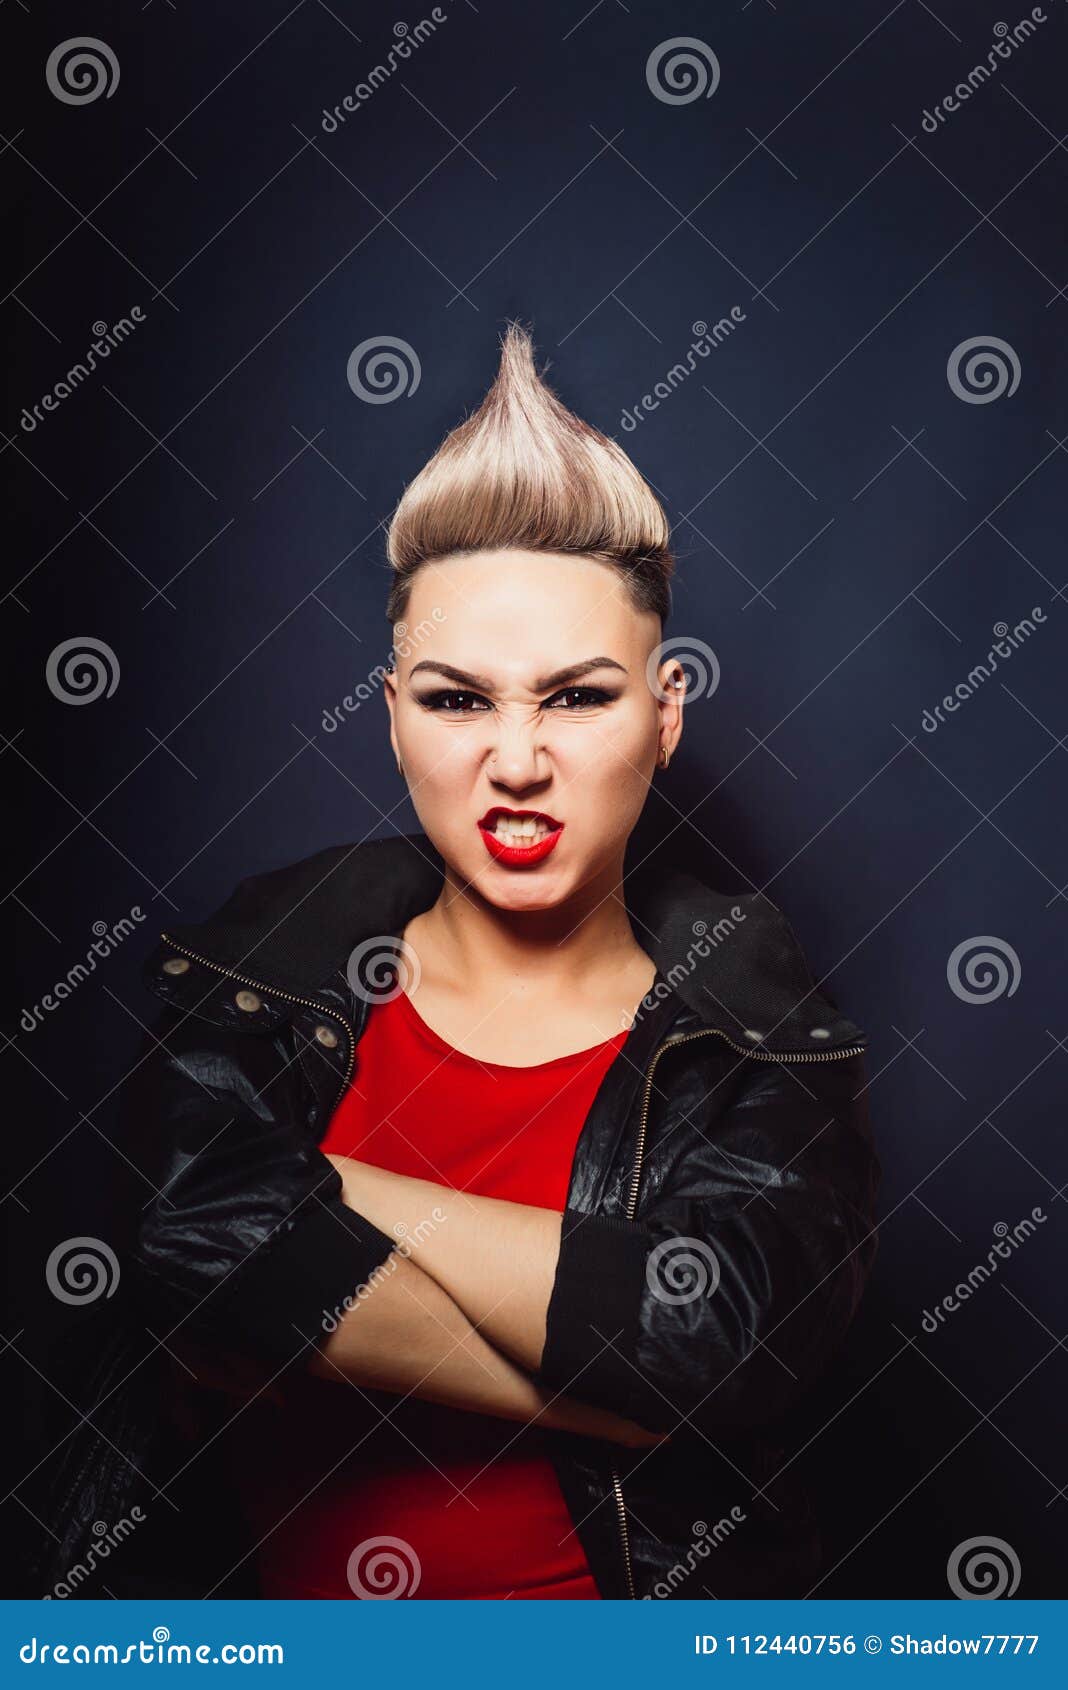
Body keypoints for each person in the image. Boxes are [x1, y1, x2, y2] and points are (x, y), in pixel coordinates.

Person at [35, 324, 880, 1601]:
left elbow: (718, 1343)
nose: (519, 759)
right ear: (391, 714)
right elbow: (192, 1244)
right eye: (458, 698)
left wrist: (325, 1201)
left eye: (580, 697)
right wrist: (612, 1399)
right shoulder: (258, 969)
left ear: (664, 718)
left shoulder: (756, 1031)